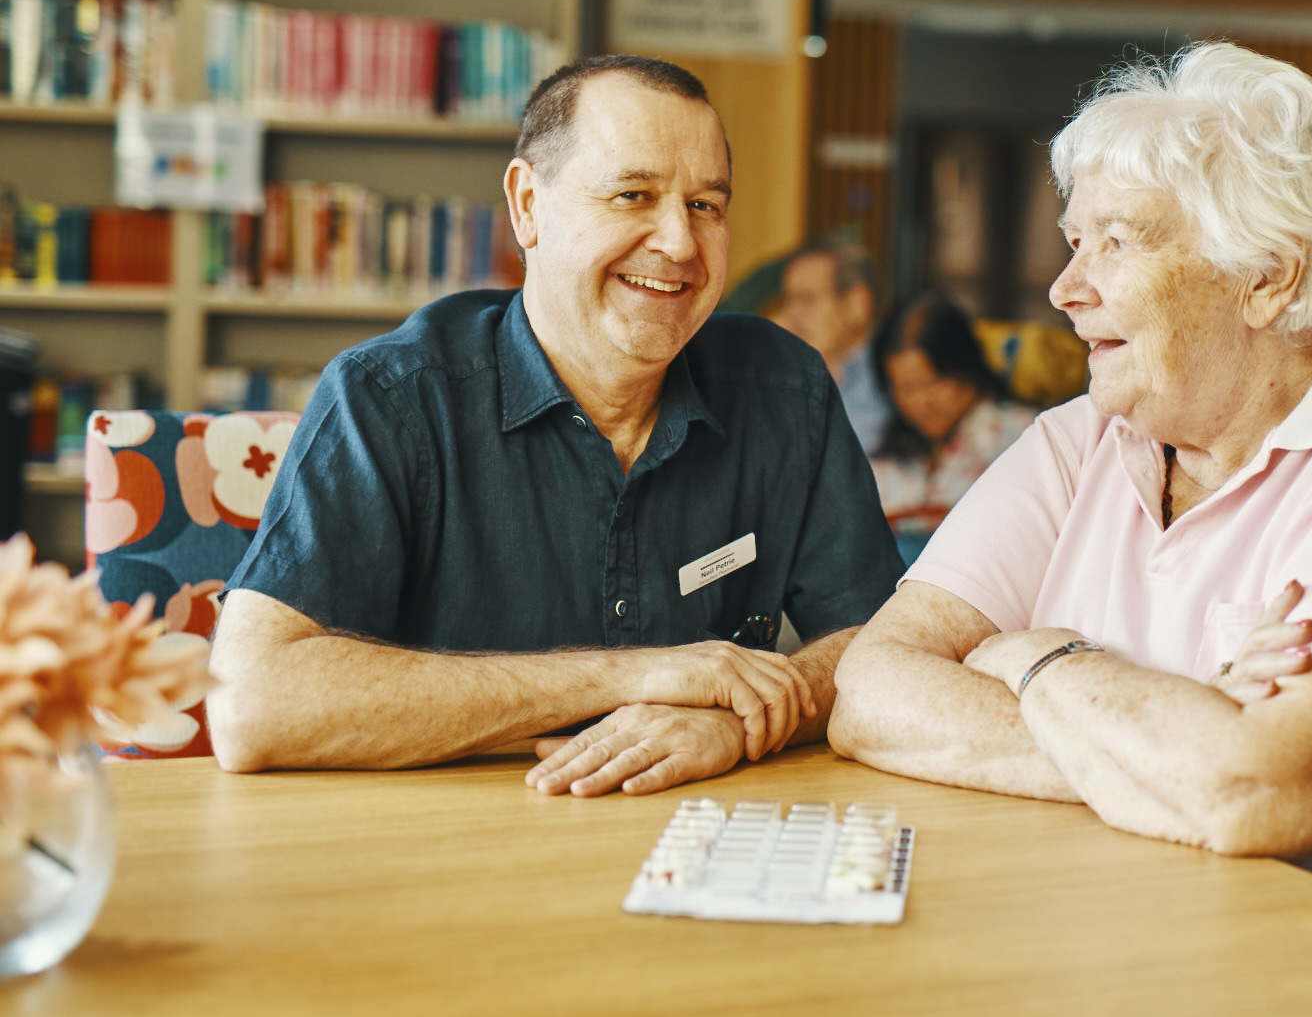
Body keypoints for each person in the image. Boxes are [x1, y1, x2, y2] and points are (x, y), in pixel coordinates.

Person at [830, 43, 1312, 965]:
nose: (1066, 290)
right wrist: (1173, 740)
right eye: (1077, 243)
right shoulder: (1079, 442)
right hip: (1152, 946)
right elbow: (869, 692)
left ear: (1266, 275)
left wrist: (1038, 657)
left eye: (1118, 241)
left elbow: (1261, 794)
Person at [207, 55, 904, 798]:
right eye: (633, 195)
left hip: (690, 840)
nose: (679, 242)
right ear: (528, 206)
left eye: (706, 206)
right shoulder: (391, 397)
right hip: (441, 855)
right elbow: (254, 705)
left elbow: (884, 650)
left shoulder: (782, 390)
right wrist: (644, 675)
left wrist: (736, 719)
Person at [867, 293, 1036, 559]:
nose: (921, 402)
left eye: (933, 382)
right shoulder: (891, 451)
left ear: (966, 366)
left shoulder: (1023, 436)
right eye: (904, 388)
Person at [775, 239, 889, 453]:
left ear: (857, 303)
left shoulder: (892, 374)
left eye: (807, 300)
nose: (792, 314)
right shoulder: (793, 372)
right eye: (789, 301)